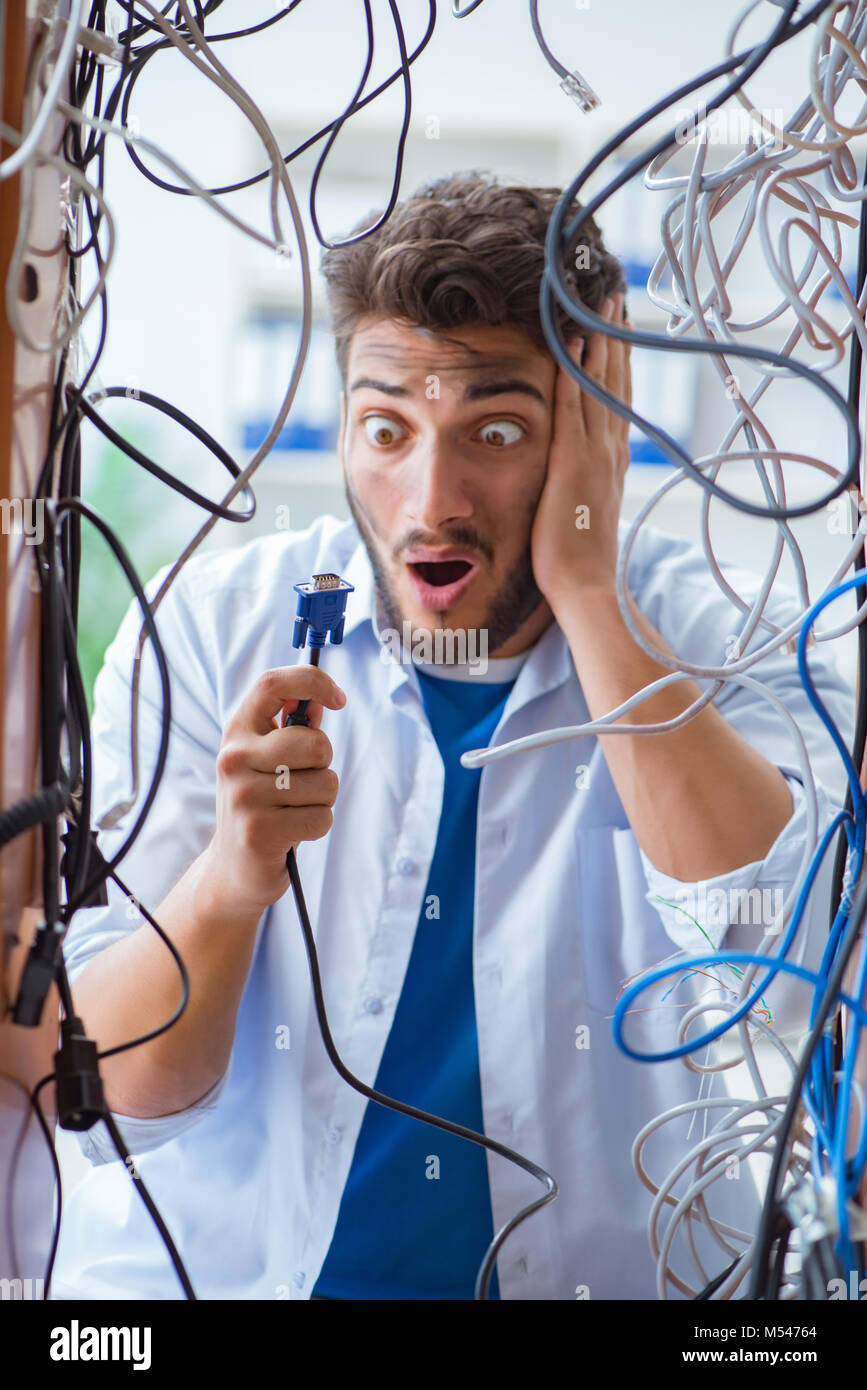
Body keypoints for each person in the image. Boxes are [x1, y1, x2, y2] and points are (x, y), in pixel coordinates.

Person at [53, 172, 851, 1301]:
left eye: (496, 429)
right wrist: (230, 883)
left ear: (595, 424)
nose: (432, 500)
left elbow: (787, 966)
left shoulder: (732, 631)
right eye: (387, 429)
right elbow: (117, 1085)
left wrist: (587, 584)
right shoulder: (206, 628)